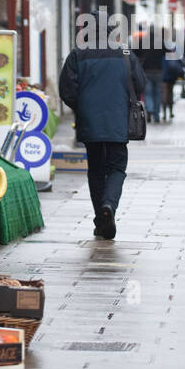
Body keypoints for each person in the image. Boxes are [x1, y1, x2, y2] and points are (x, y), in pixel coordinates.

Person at [59, 30, 146, 240]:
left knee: (96, 170)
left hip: (90, 122)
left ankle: (101, 219)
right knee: (117, 167)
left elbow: (67, 90)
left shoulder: (78, 54)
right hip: (118, 121)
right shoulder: (125, 53)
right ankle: (109, 205)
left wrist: (83, 107)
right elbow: (140, 83)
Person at [131, 27, 164, 124]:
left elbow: (135, 52)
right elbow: (167, 52)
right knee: (157, 93)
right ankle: (156, 115)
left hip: (146, 70)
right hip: (158, 71)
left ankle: (149, 108)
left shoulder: (142, 41)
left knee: (147, 93)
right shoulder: (160, 42)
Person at [161, 49, 185, 121]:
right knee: (170, 93)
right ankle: (171, 112)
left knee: (164, 93)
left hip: (164, 76)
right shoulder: (173, 53)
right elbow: (180, 63)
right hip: (172, 76)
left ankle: (164, 114)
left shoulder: (161, 54)